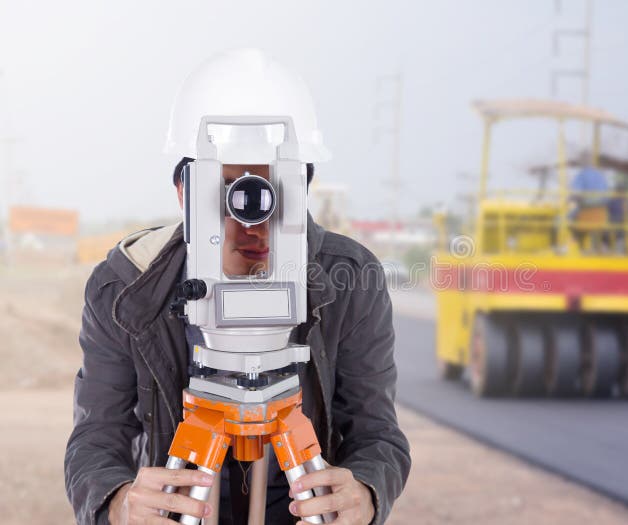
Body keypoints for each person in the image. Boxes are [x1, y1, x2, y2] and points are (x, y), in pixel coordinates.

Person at [64, 49, 410, 525]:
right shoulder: (125, 287)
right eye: (232, 193)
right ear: (186, 193)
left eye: (272, 193)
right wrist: (121, 504)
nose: (255, 219)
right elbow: (94, 441)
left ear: (302, 186)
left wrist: (366, 494)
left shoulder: (351, 278)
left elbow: (378, 434)